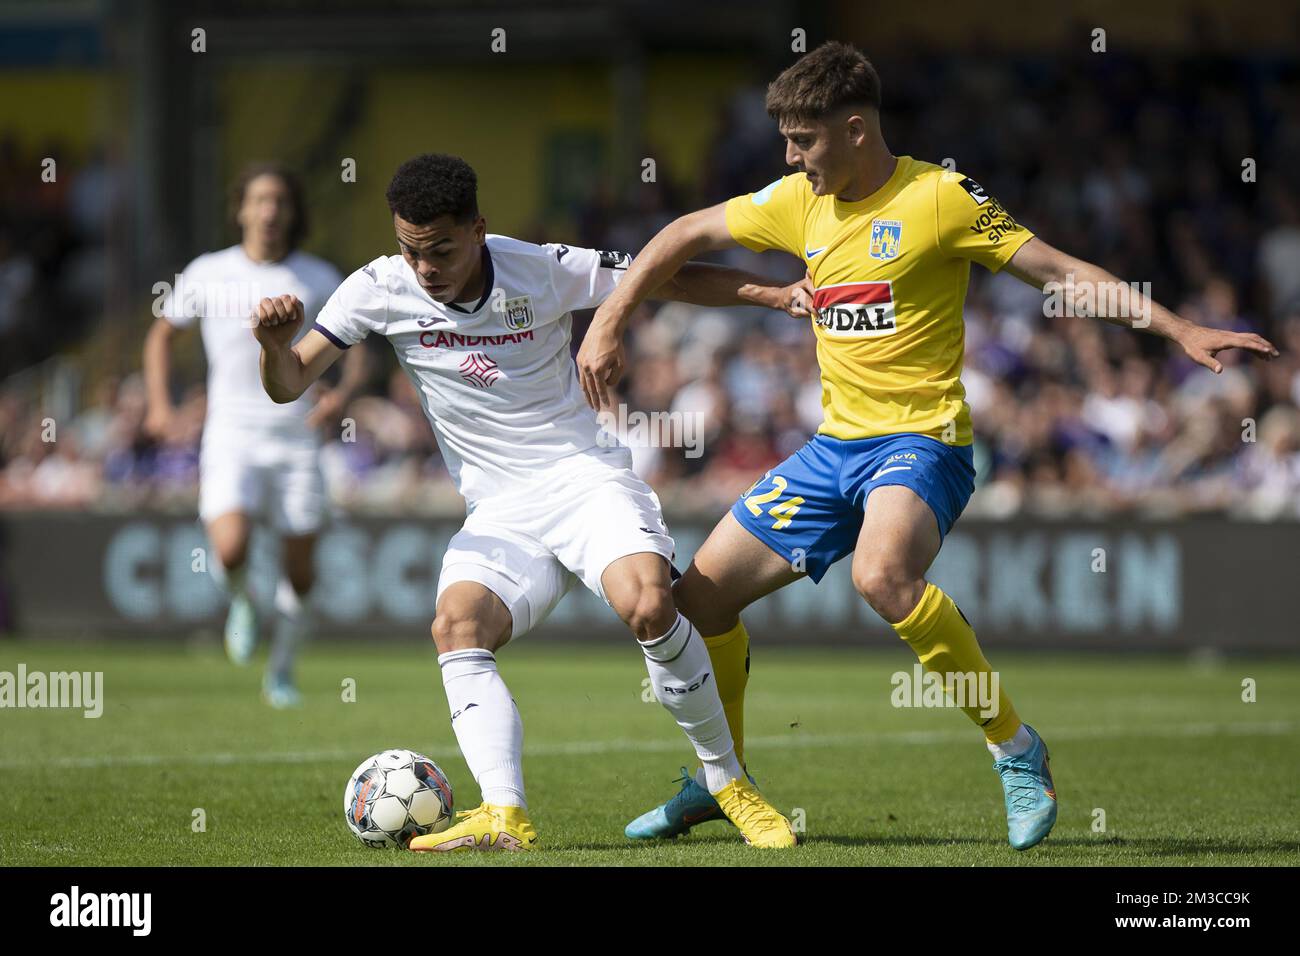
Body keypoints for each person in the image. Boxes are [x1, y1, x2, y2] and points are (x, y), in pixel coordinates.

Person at [576, 41, 1278, 850]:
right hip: (834, 449)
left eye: (803, 141)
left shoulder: (940, 198)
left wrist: (1177, 326)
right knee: (694, 608)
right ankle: (719, 778)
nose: (790, 157)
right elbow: (682, 234)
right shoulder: (798, 201)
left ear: (854, 129)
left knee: (882, 576)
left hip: (924, 440)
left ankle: (1016, 750)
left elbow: (1056, 271)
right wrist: (611, 318)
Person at [253, 153, 809, 852]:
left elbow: (663, 275)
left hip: (583, 478)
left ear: (479, 229)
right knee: (456, 627)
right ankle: (504, 814)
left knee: (648, 604)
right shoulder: (377, 288)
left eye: (442, 249)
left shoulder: (540, 266)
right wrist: (274, 349)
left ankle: (728, 783)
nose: (424, 266)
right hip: (499, 509)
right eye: (410, 248)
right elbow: (289, 381)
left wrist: (773, 295)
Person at [144, 163, 366, 708]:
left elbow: (357, 350)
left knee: (301, 569)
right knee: (231, 544)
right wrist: (158, 405)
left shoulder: (316, 277)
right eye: (260, 200)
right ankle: (242, 599)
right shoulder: (207, 272)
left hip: (296, 438)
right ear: (240, 208)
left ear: (292, 213)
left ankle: (282, 672)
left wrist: (342, 394)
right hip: (231, 433)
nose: (270, 211)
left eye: (280, 202)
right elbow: (160, 336)